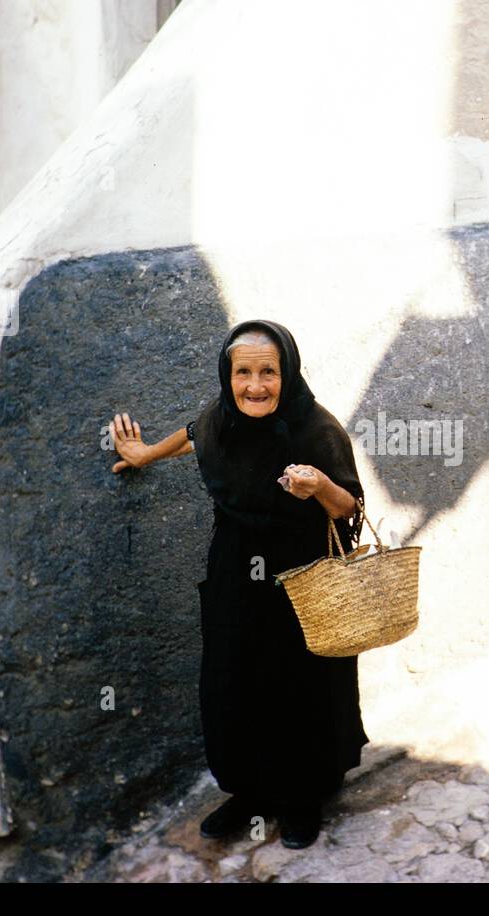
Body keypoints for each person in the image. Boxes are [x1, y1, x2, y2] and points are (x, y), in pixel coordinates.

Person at [109, 319, 370, 849]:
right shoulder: (221, 417)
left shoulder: (318, 430)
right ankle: (248, 792)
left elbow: (350, 507)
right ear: (228, 377)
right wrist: (145, 454)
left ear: (287, 373)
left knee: (300, 686)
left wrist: (320, 485)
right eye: (243, 372)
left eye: (268, 372)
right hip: (235, 573)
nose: (255, 385)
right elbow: (194, 435)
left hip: (303, 579)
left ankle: (302, 798)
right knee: (233, 681)